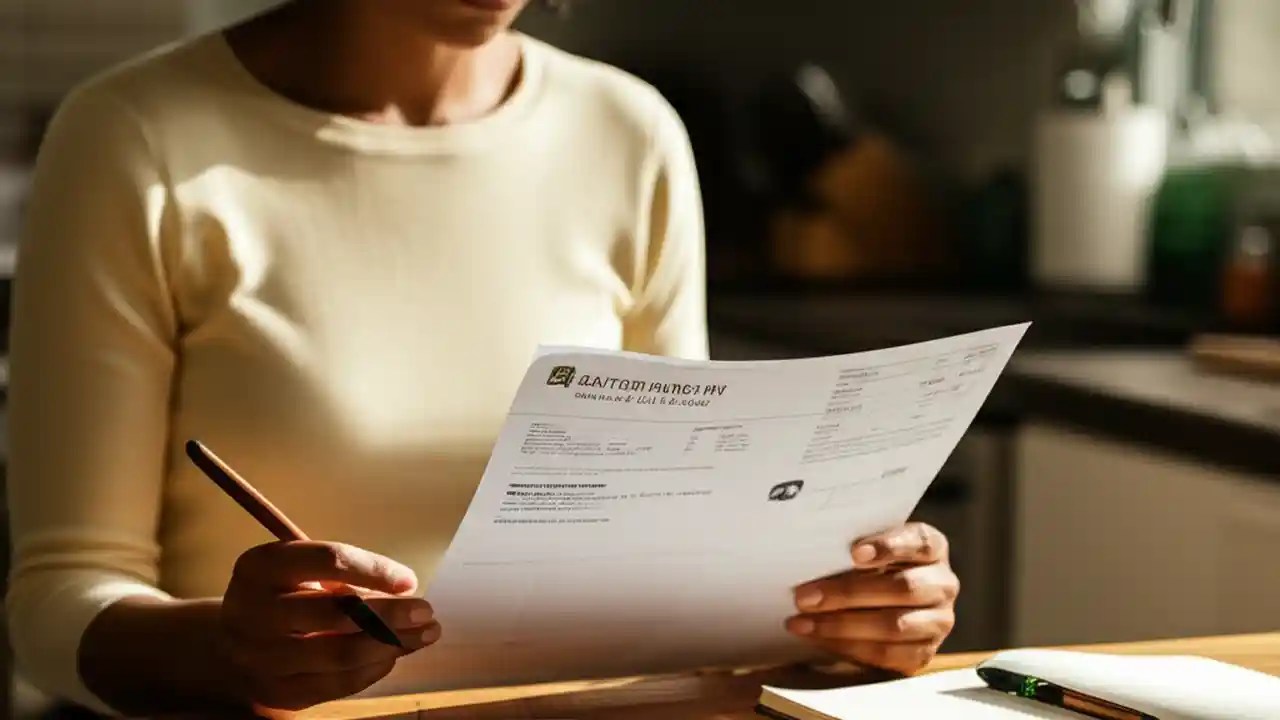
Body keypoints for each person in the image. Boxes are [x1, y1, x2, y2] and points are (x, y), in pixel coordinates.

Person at [7, 0, 960, 714]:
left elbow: (691, 557)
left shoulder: (629, 133)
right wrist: (227, 651)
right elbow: (57, 602)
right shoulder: (134, 137)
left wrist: (850, 616)